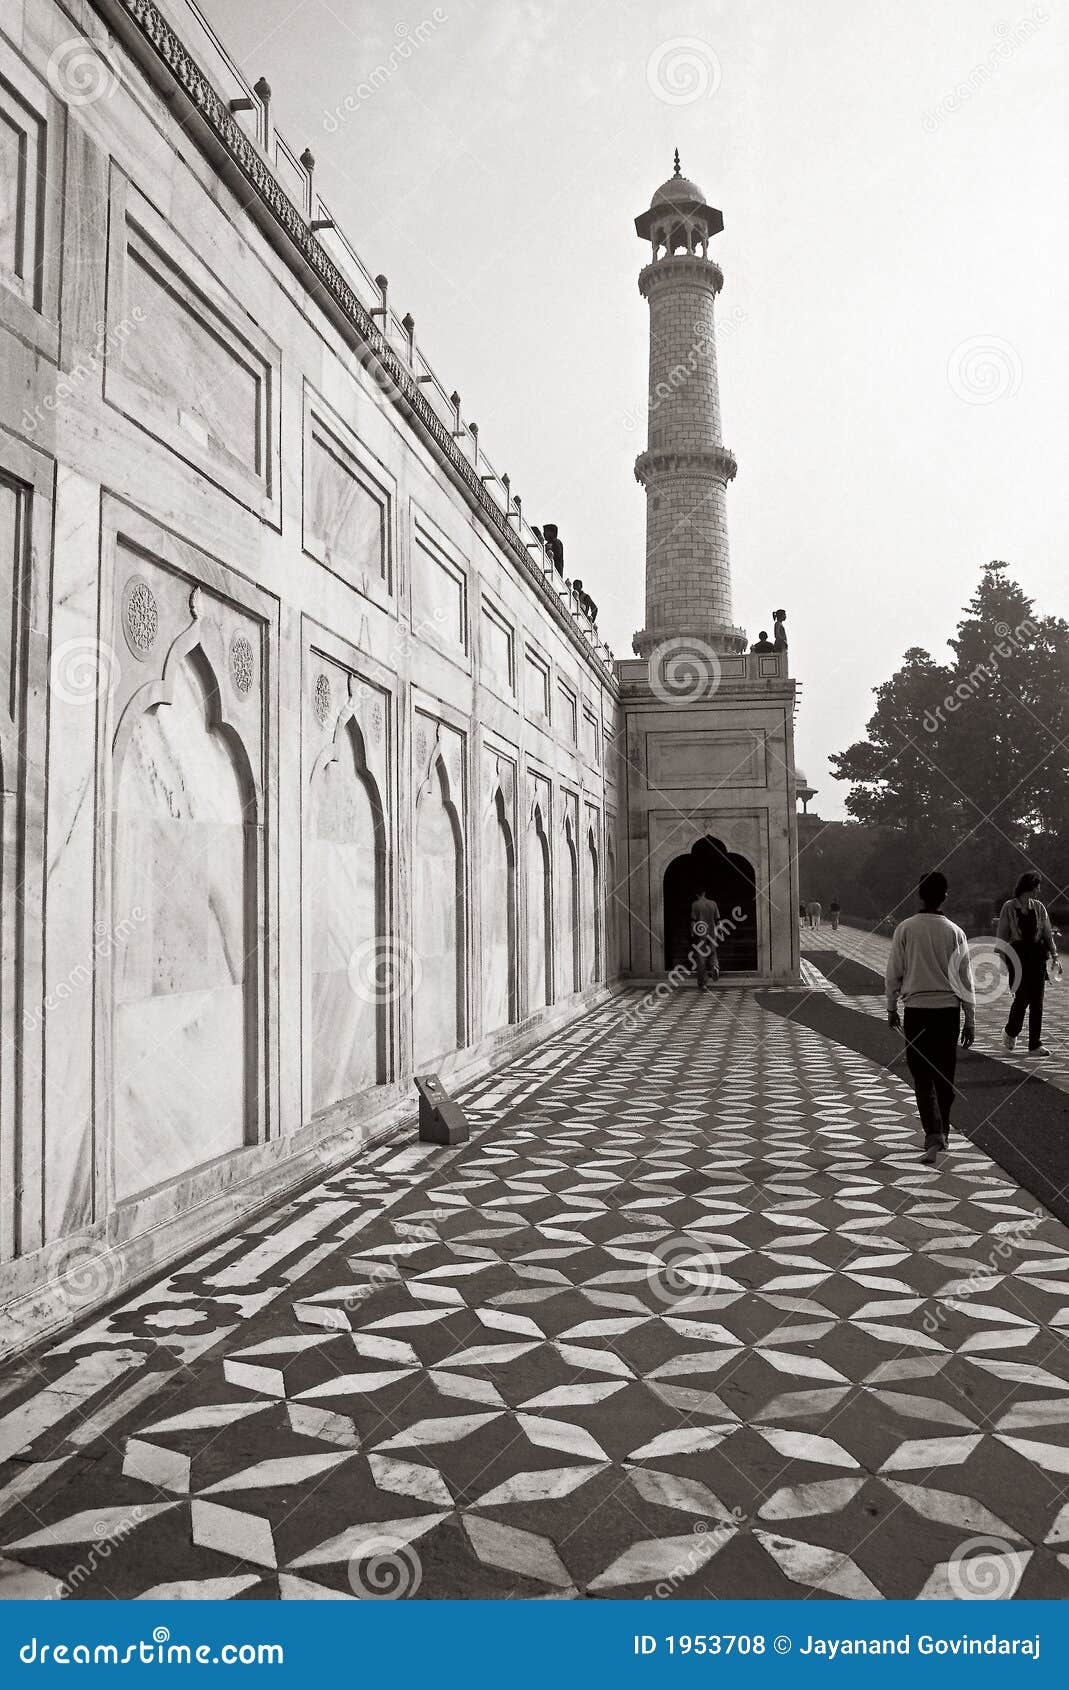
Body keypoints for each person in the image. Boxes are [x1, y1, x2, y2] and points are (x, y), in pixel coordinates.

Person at [886, 870, 976, 1164]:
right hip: (947, 1012)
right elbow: (965, 978)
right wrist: (970, 1017)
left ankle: (933, 1134)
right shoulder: (954, 931)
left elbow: (893, 972)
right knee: (944, 1073)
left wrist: (891, 1007)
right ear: (945, 896)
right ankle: (944, 1132)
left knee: (922, 1075)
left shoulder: (906, 929)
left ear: (919, 894)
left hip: (917, 1011)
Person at [997, 871, 1058, 1056]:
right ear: (1029, 887)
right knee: (1022, 997)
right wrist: (1001, 959)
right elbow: (1002, 933)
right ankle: (1010, 1031)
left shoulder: (1039, 908)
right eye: (1037, 886)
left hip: (1037, 956)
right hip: (1017, 956)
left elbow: (1047, 933)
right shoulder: (1009, 907)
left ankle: (1034, 1044)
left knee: (1037, 1001)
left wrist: (1055, 955)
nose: (1039, 890)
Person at [689, 887, 721, 991]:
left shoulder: (695, 904)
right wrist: (719, 931)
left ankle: (703, 983)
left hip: (701, 934)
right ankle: (715, 966)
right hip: (712, 933)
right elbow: (718, 920)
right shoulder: (713, 903)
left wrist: (693, 933)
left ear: (696, 895)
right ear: (704, 892)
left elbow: (693, 920)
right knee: (713, 953)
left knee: (701, 958)